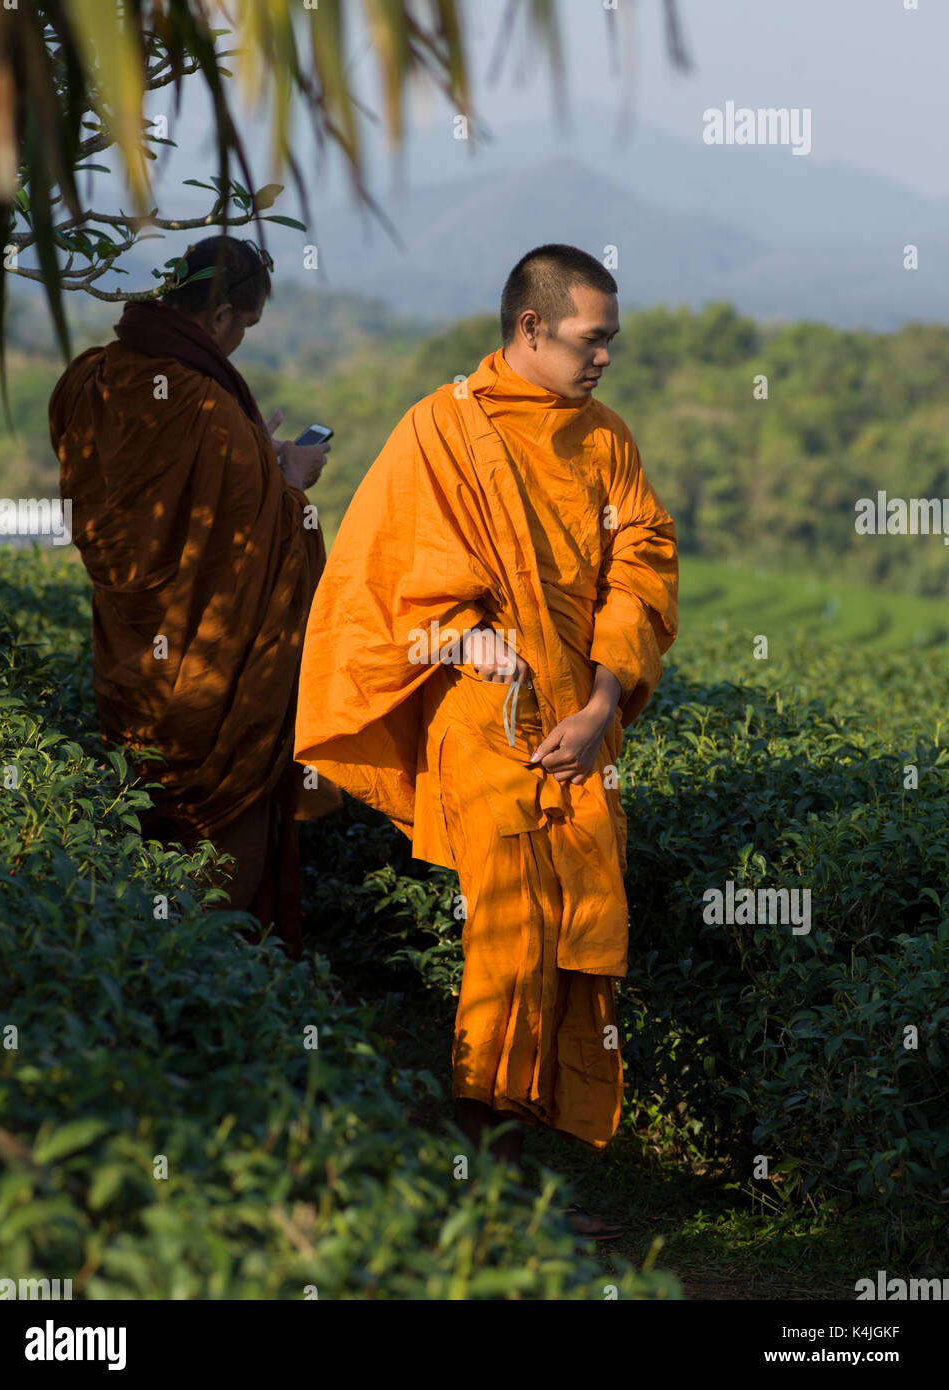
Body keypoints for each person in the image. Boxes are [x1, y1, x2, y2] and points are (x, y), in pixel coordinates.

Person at [293, 243, 678, 1235]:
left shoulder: (605, 443)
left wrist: (600, 705)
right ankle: (489, 1186)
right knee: (506, 946)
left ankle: (523, 1179)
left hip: (580, 731)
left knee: (569, 948)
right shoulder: (442, 432)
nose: (603, 360)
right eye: (590, 342)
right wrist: (465, 637)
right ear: (530, 329)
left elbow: (639, 568)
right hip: (489, 728)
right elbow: (379, 586)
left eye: (611, 343)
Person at [49, 234, 340, 957]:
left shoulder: (94, 376)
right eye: (244, 326)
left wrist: (253, 455)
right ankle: (211, 986)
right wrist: (291, 479)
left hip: (131, 659)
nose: (240, 341)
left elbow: (122, 493)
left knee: (144, 825)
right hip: (210, 685)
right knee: (221, 824)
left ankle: (154, 974)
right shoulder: (208, 408)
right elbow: (272, 526)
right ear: (219, 319)